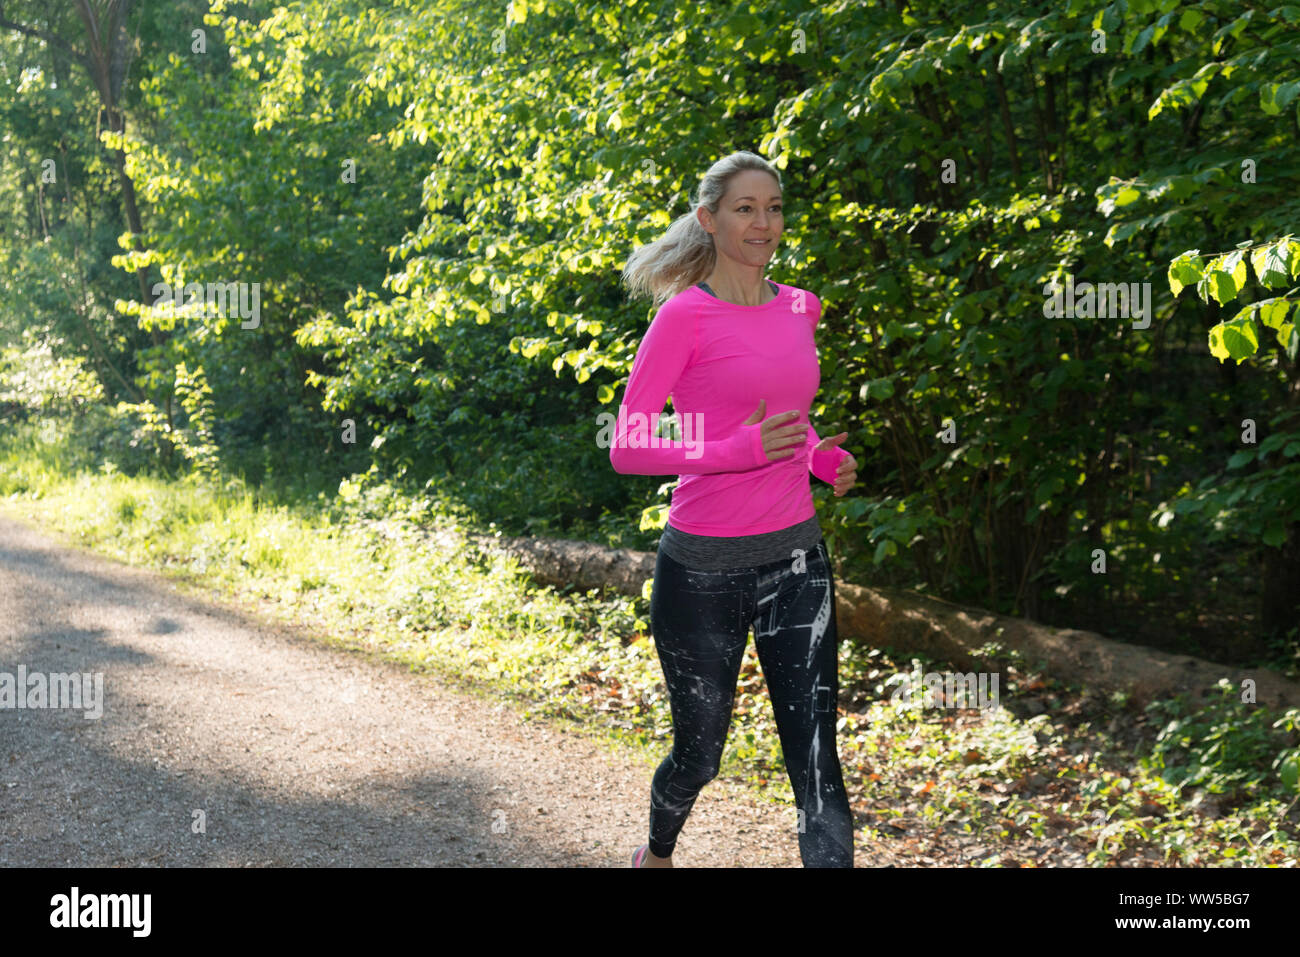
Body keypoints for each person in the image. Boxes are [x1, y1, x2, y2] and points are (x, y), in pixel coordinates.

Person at [610, 150, 858, 868]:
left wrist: (818, 459)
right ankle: (656, 851)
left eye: (774, 206)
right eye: (745, 208)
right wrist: (734, 449)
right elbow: (627, 445)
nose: (764, 222)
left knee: (816, 762)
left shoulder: (800, 306)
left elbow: (790, 416)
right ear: (709, 220)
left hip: (797, 558)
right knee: (699, 754)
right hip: (703, 570)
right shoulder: (684, 317)